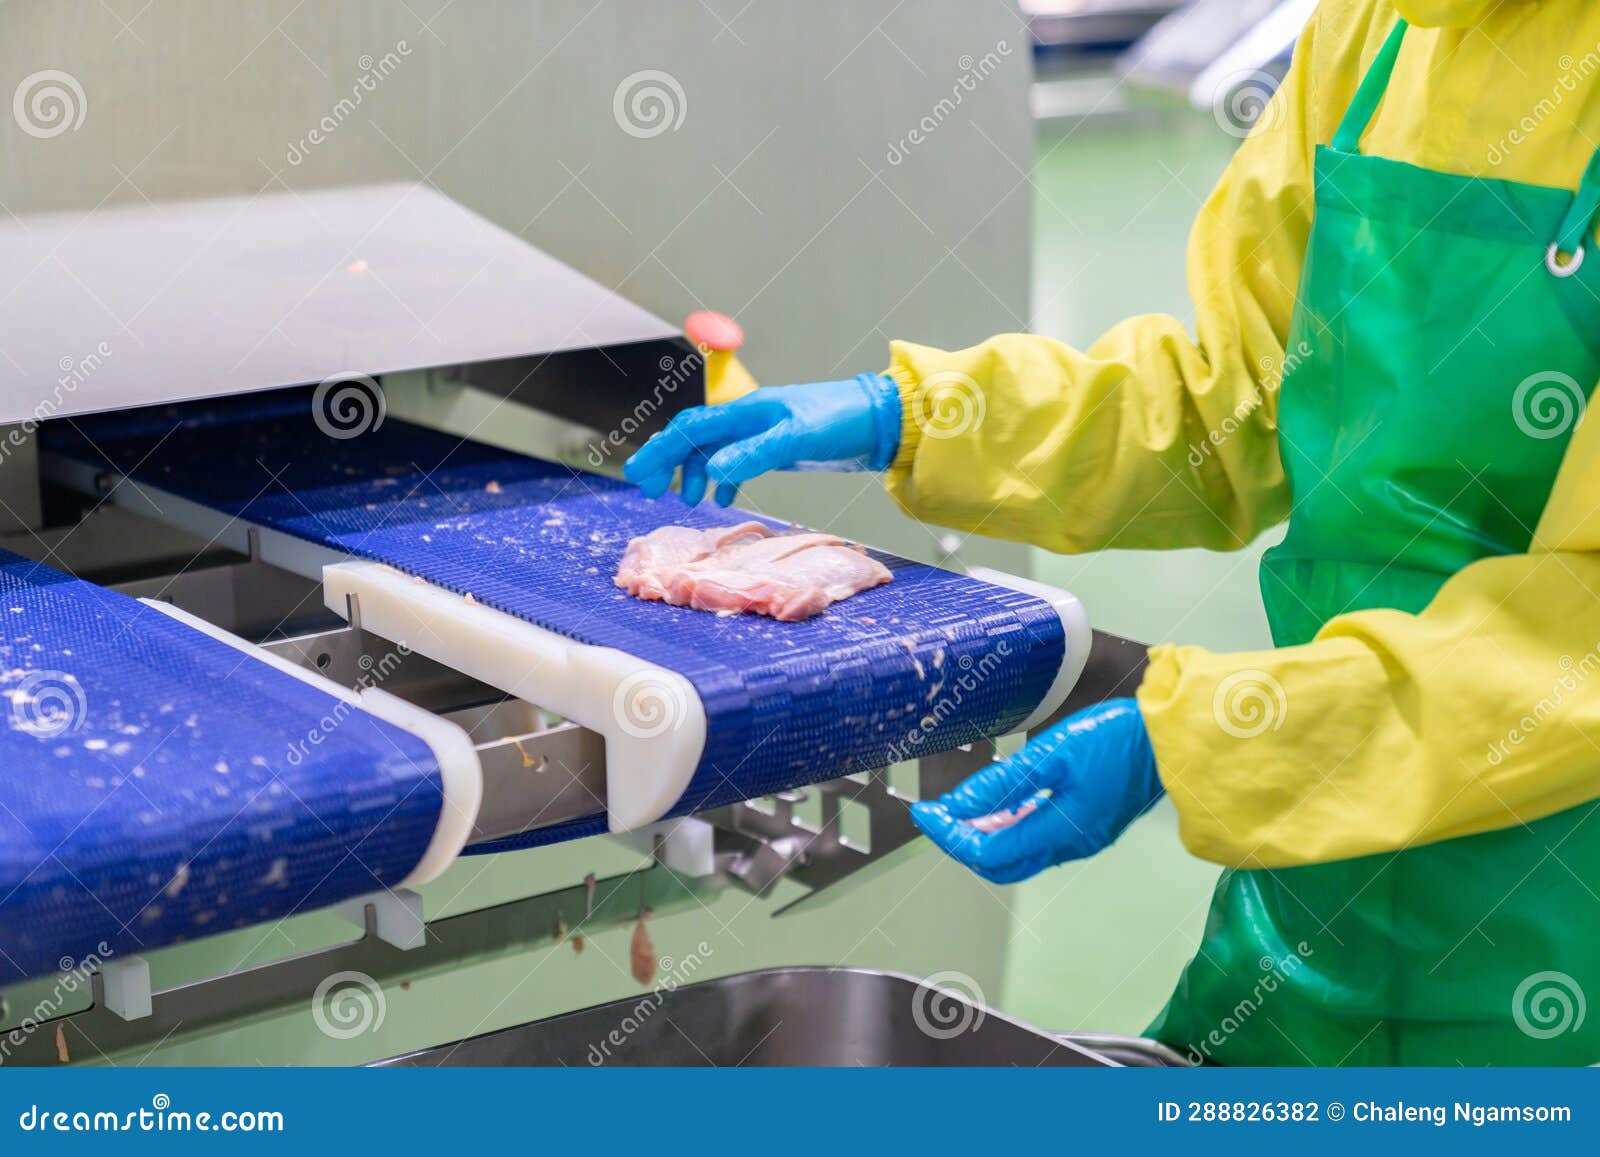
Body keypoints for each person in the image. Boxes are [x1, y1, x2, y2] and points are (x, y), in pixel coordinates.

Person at [623, 0, 1600, 1066]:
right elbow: (1228, 404)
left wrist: (1206, 739)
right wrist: (917, 413)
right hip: (1312, 927)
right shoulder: (1377, 37)